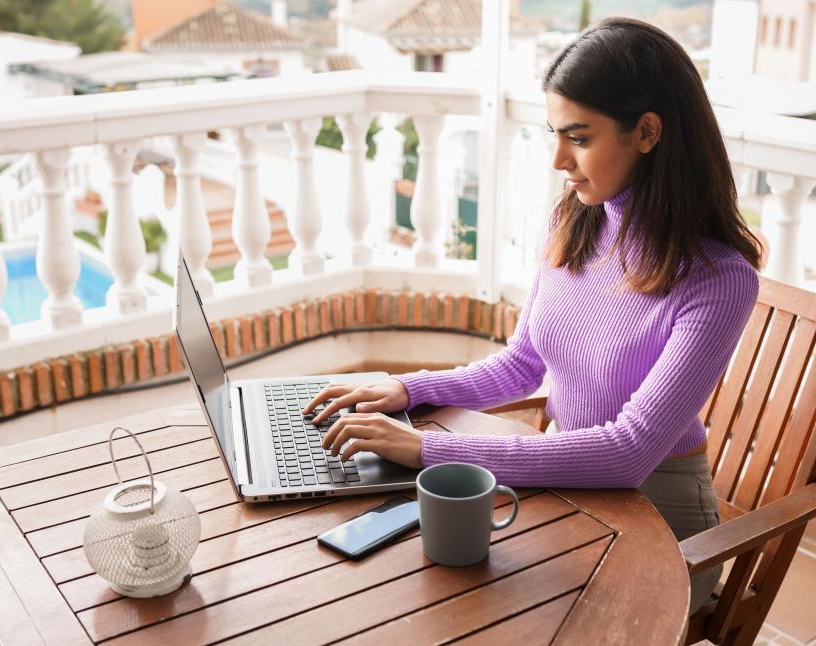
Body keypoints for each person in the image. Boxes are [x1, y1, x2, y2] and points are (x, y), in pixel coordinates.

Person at [303, 17, 762, 613]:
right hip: (570, 479)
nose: (557, 160)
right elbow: (522, 364)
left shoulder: (719, 278)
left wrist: (425, 449)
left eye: (579, 136)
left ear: (648, 131)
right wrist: (404, 389)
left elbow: (626, 452)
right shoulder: (575, 221)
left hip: (659, 514)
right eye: (554, 133)